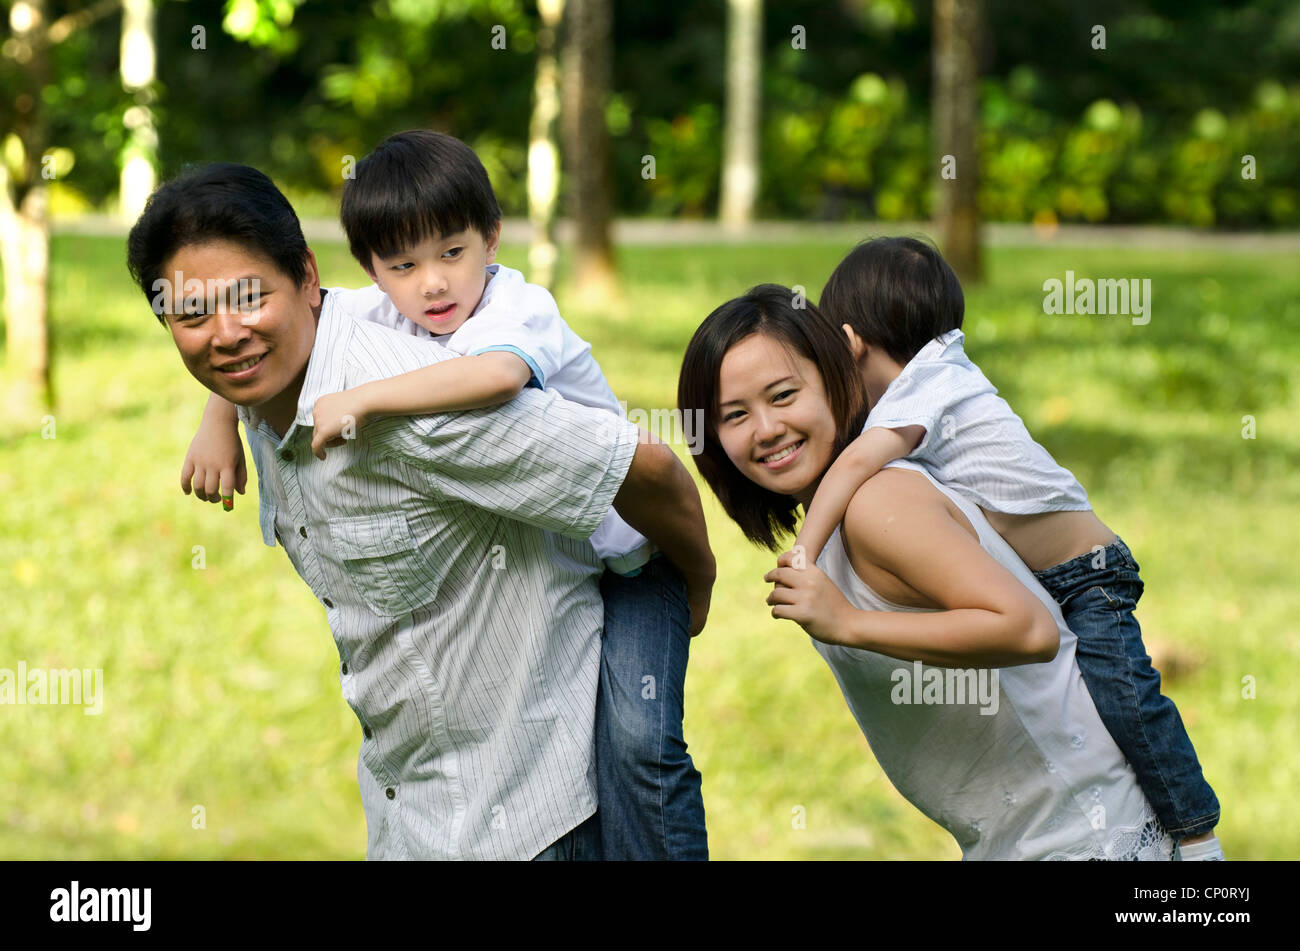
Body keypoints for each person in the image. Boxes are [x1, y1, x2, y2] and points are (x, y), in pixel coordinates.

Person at [126, 162, 717, 860]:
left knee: (647, 749)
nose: (224, 334)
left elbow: (642, 465)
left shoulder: (415, 404)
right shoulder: (268, 376)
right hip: (412, 820)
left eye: (248, 297)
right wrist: (219, 415)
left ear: (306, 278)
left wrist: (693, 577)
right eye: (191, 314)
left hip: (529, 822)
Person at [678, 285, 1176, 859]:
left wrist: (849, 623)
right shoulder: (837, 517)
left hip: (1085, 831)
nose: (764, 429)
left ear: (837, 380)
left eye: (784, 395)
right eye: (734, 416)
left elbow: (1028, 630)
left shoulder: (876, 503)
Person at [786, 238, 1222, 861]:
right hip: (1064, 573)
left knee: (1131, 706)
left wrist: (803, 551)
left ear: (849, 342)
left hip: (1088, 576)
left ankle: (1201, 842)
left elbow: (856, 461)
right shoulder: (941, 373)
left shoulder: (923, 387)